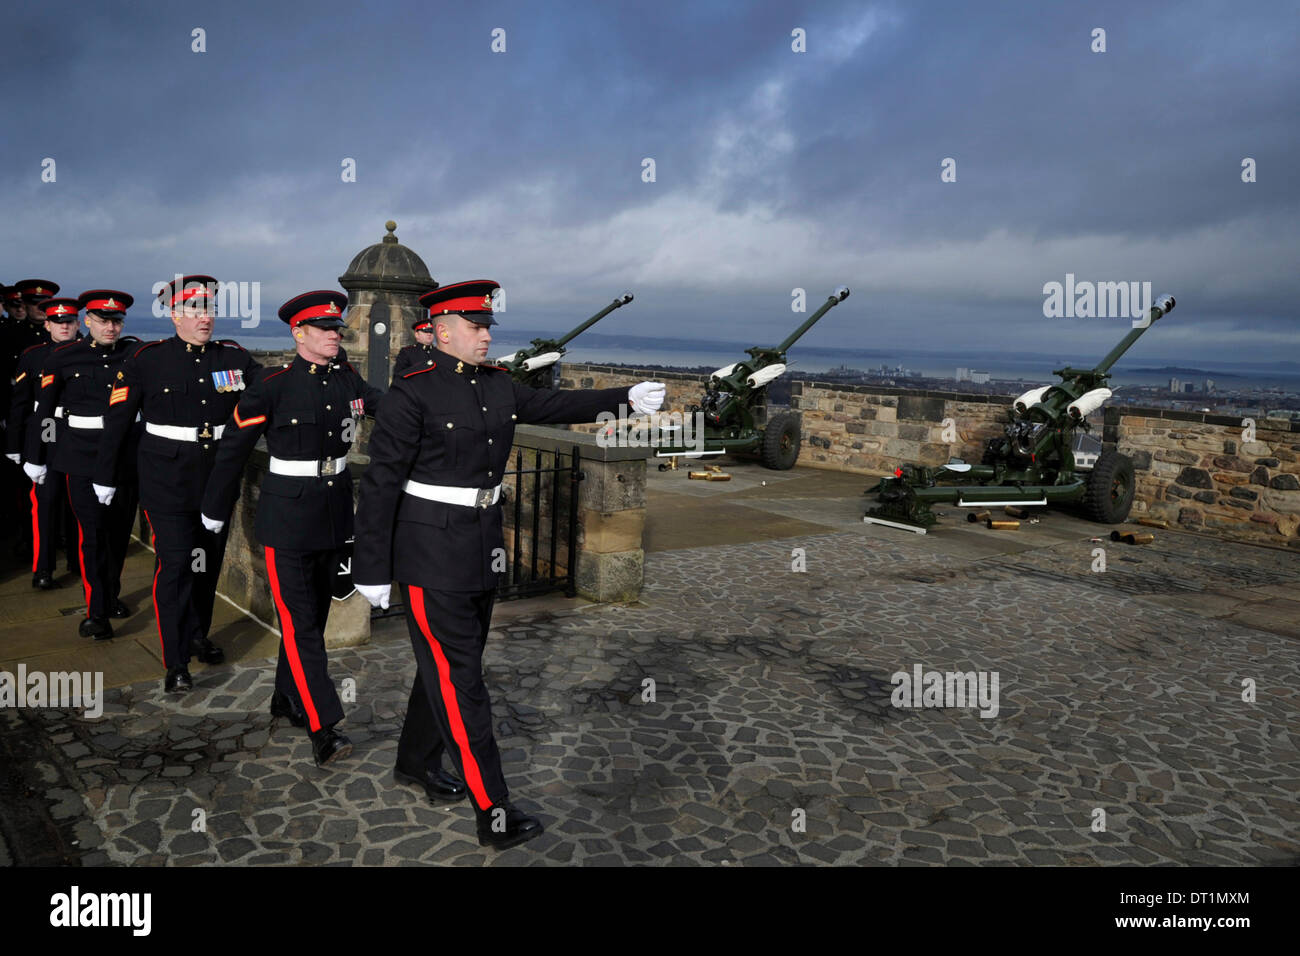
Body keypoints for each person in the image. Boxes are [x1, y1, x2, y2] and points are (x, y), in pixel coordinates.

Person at [352, 279, 665, 850]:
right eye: (476, 327)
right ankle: (492, 808)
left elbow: (554, 404)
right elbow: (380, 485)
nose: (487, 335)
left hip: (480, 544)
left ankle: (414, 762)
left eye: (488, 325)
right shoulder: (411, 393)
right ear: (443, 331)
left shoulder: (496, 385)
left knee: (449, 667)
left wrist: (625, 396)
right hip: (429, 556)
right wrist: (371, 569)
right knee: (464, 682)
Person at [200, 290, 385, 767]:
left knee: (314, 620)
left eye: (337, 329)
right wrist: (215, 507)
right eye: (324, 329)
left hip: (335, 509)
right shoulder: (272, 385)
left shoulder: (347, 379)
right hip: (287, 519)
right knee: (301, 625)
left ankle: (285, 697)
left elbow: (386, 406)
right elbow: (234, 448)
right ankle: (324, 725)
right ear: (298, 333)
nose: (333, 335)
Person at [94, 275, 262, 693]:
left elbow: (270, 396)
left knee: (206, 563)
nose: (205, 319)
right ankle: (175, 660)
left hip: (216, 479)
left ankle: (196, 634)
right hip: (165, 479)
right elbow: (117, 422)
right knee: (176, 565)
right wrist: (105, 475)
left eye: (209, 310)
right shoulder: (147, 359)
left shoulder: (236, 358)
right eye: (195, 311)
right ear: (174, 316)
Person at [25, 291, 141, 639]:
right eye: (103, 320)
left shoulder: (135, 355)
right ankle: (96, 611)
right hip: (80, 457)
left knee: (118, 535)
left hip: (124, 458)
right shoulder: (64, 357)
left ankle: (111, 594)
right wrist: (35, 455)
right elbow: (43, 411)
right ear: (86, 321)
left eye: (117, 320)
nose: (111, 326)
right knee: (93, 536)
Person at [10, 297, 81, 589]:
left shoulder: (90, 354)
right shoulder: (33, 356)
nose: (64, 327)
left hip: (79, 435)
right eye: (58, 322)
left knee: (81, 505)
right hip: (45, 433)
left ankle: (79, 561)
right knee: (46, 503)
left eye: (70, 322)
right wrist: (15, 445)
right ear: (48, 324)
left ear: (78, 324)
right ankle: (43, 569)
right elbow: (20, 403)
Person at [390, 310, 438, 382]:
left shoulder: (438, 352)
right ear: (416, 334)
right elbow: (399, 376)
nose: (429, 334)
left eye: (431, 331)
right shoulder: (407, 353)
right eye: (425, 331)